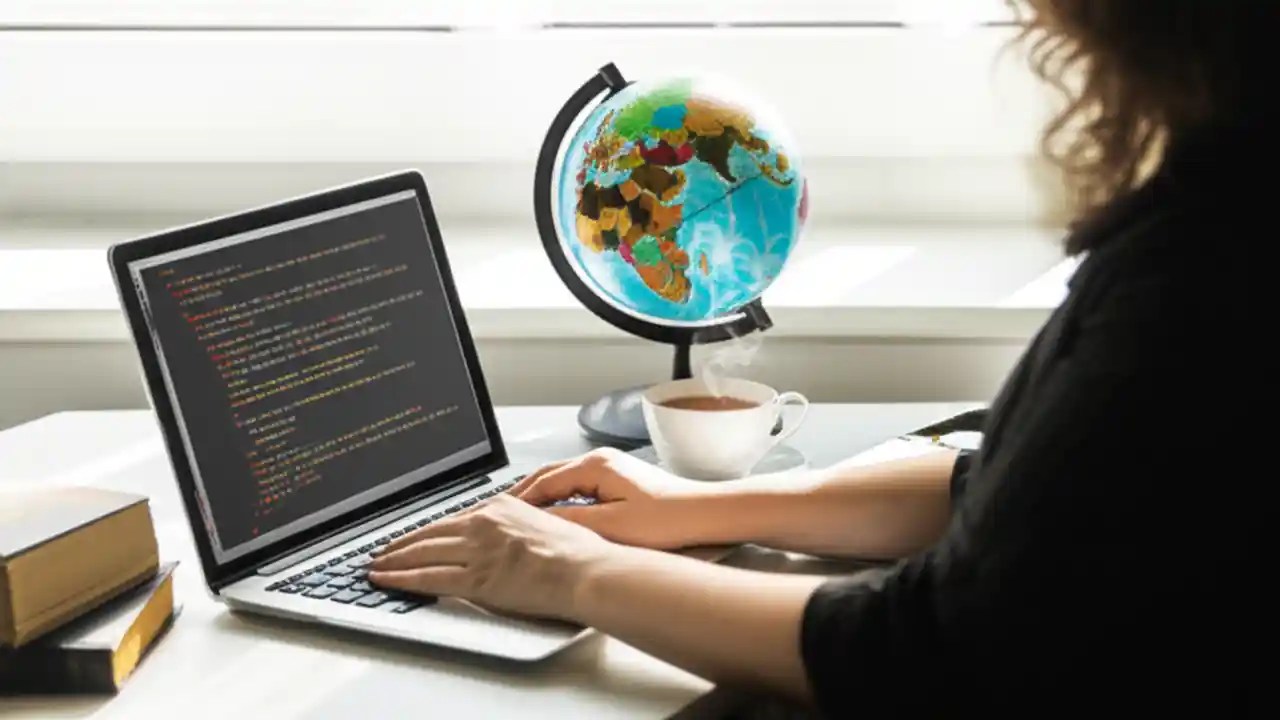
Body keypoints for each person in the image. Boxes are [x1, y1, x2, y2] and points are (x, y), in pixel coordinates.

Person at [370, 1, 1262, 714]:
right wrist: (697, 507)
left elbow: (932, 652)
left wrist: (566, 569)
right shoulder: (1210, 221)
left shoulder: (1206, 276)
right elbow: (1004, 488)